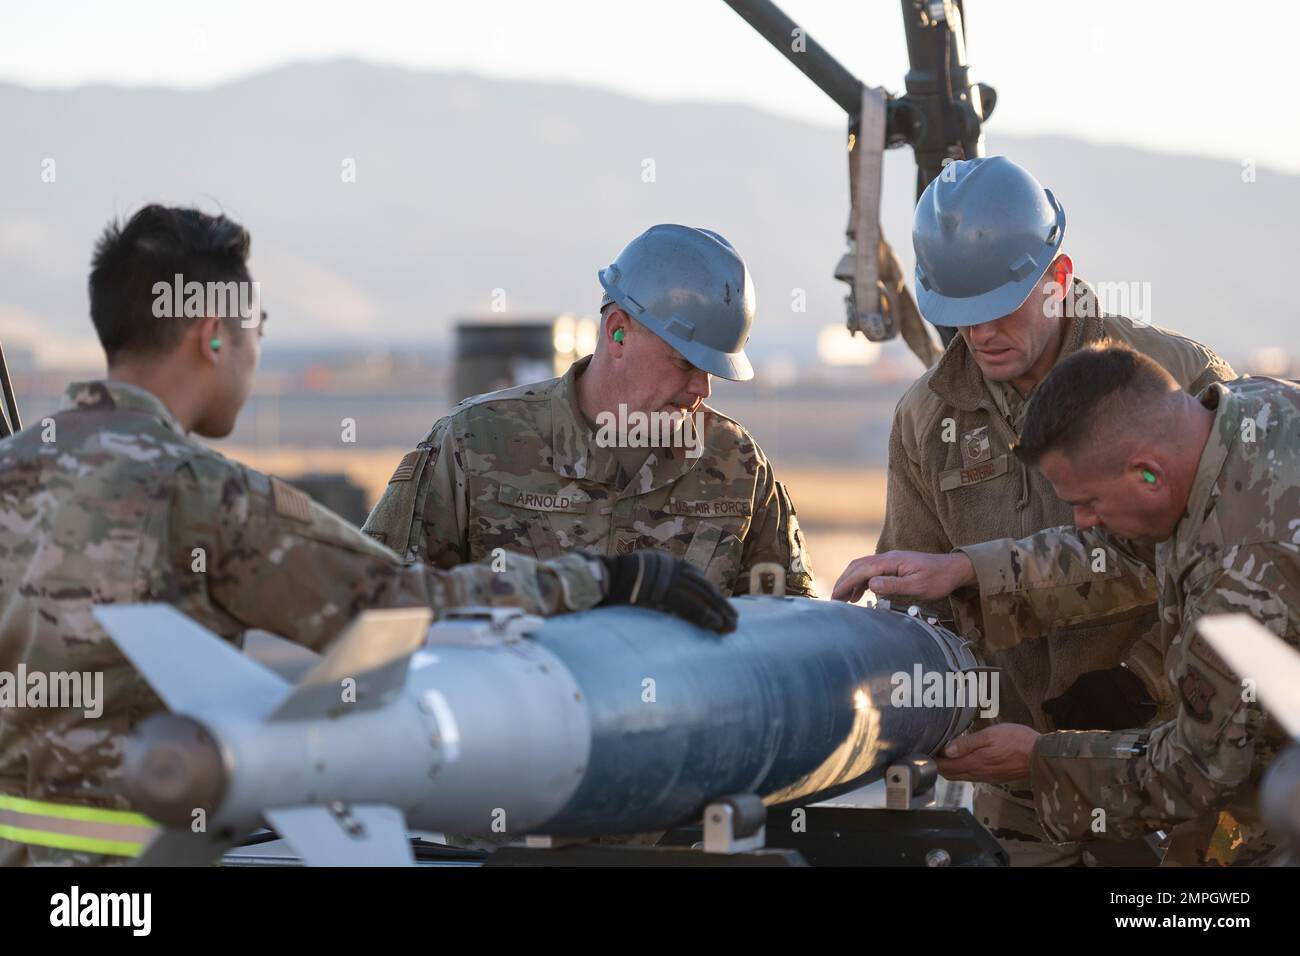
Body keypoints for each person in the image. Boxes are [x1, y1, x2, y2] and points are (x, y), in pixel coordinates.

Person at [0, 206, 734, 866]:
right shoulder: (203, 495)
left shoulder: (11, 468)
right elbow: (399, 608)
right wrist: (608, 581)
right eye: (256, 333)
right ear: (211, 336)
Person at [833, 156, 1234, 865]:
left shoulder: (1168, 378)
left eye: (1001, 306)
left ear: (1057, 277)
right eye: (959, 315)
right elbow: (927, 603)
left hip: (1172, 769)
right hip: (1018, 790)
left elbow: (1226, 571)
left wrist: (1138, 682)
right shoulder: (927, 420)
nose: (981, 332)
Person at [838, 341, 1300, 865]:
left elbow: (1202, 771)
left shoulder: (1240, 567)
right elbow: (1128, 549)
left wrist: (1038, 761)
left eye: (1087, 503)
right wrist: (966, 569)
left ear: (1148, 472)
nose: (1081, 522)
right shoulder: (1245, 413)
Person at [364, 224, 815, 598]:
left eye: (714, 370)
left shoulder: (736, 465)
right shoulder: (474, 444)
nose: (702, 389)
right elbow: (379, 598)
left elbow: (787, 627)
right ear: (618, 332)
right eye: (686, 364)